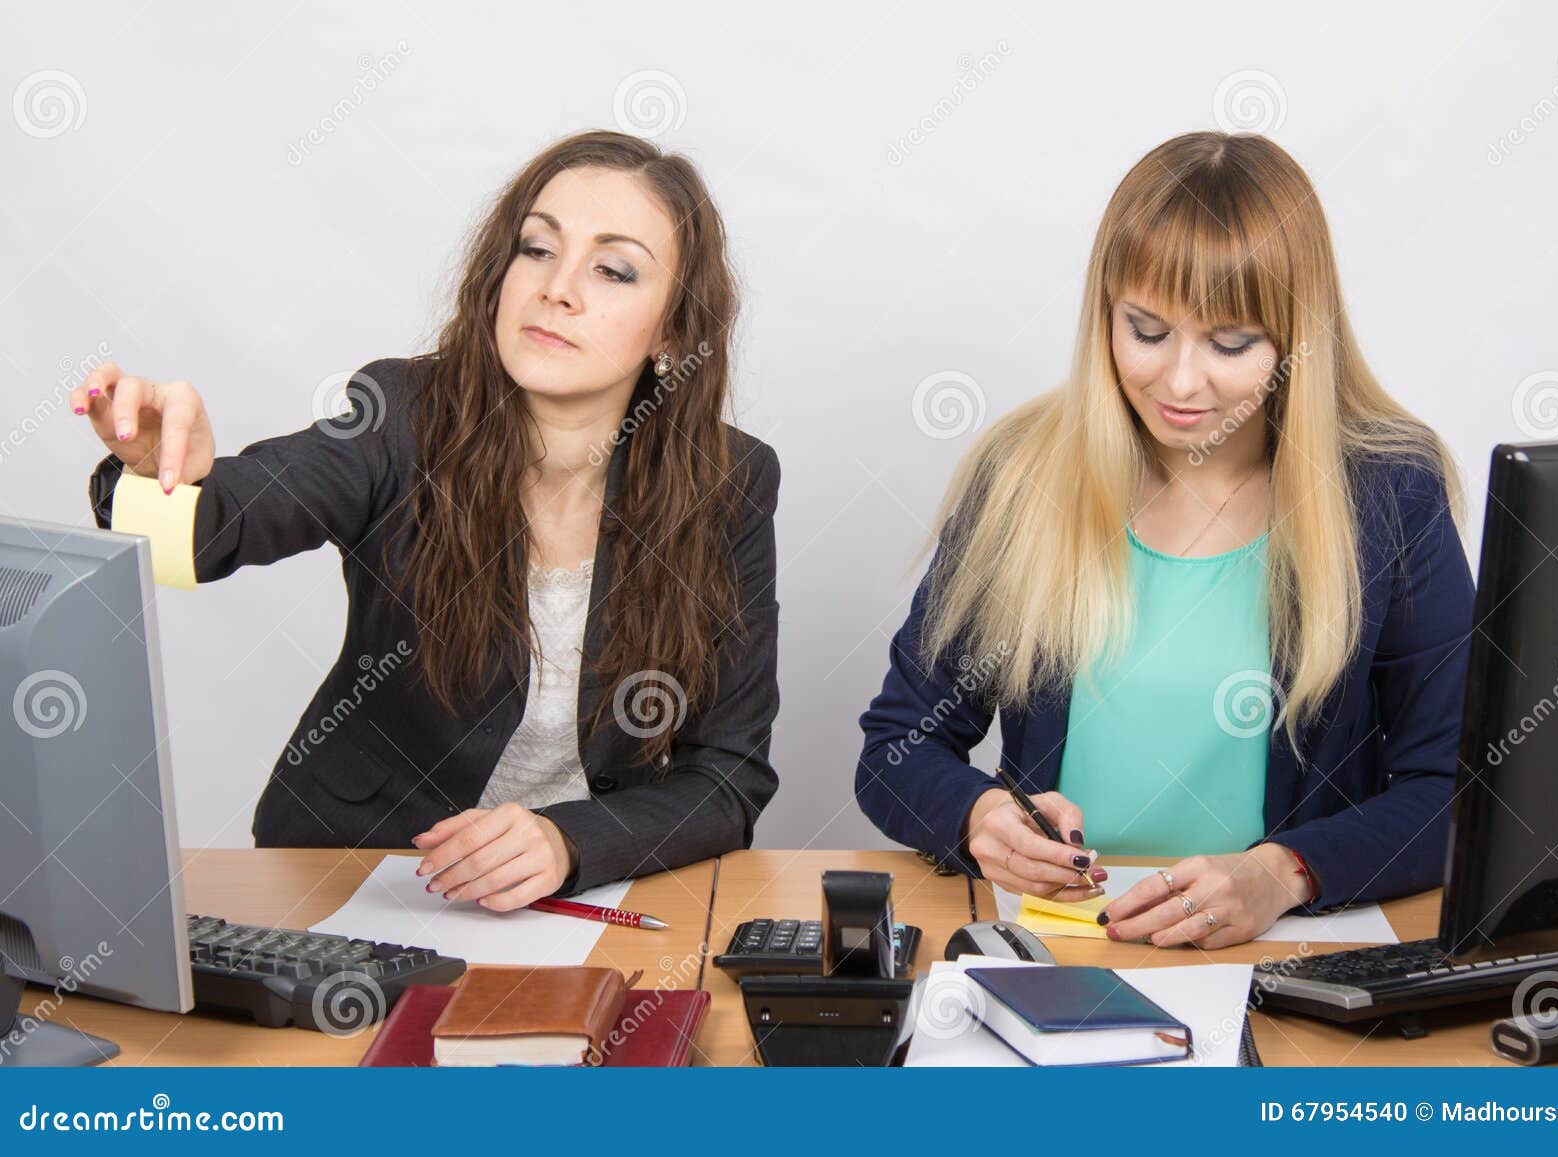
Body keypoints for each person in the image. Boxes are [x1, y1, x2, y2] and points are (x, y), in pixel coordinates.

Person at [75, 130, 780, 908]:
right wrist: (155, 471)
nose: (558, 288)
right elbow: (216, 529)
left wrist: (569, 839)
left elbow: (727, 774)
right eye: (537, 249)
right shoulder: (399, 417)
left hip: (582, 896)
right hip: (359, 873)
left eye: (613, 269)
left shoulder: (731, 483)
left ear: (674, 332)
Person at [855, 131, 1474, 949]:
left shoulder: (1390, 492)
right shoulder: (1022, 476)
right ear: (1102, 315)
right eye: (1146, 331)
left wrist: (1285, 871)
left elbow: (1457, 788)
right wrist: (976, 812)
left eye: (1231, 343)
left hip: (1274, 960)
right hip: (1058, 947)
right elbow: (898, 747)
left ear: (1298, 340)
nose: (1181, 383)